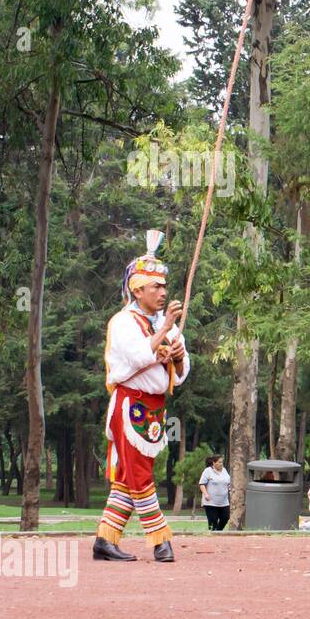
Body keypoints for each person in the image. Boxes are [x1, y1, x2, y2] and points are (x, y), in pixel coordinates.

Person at [94, 230, 190, 562]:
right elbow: (136, 357)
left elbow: (184, 369)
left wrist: (177, 355)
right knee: (140, 476)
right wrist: (164, 332)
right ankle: (160, 539)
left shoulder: (167, 324)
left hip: (154, 410)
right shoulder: (121, 322)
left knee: (127, 478)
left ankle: (105, 539)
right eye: (156, 287)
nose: (163, 292)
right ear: (137, 290)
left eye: (164, 286)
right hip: (129, 406)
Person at [198, 454, 231, 531]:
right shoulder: (208, 471)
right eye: (219, 462)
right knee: (213, 521)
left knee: (225, 518)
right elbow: (202, 484)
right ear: (214, 463)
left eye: (222, 462)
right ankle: (213, 535)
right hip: (211, 502)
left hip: (224, 502)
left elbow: (228, 483)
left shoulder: (224, 470)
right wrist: (206, 494)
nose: (221, 464)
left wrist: (231, 491)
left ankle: (217, 532)